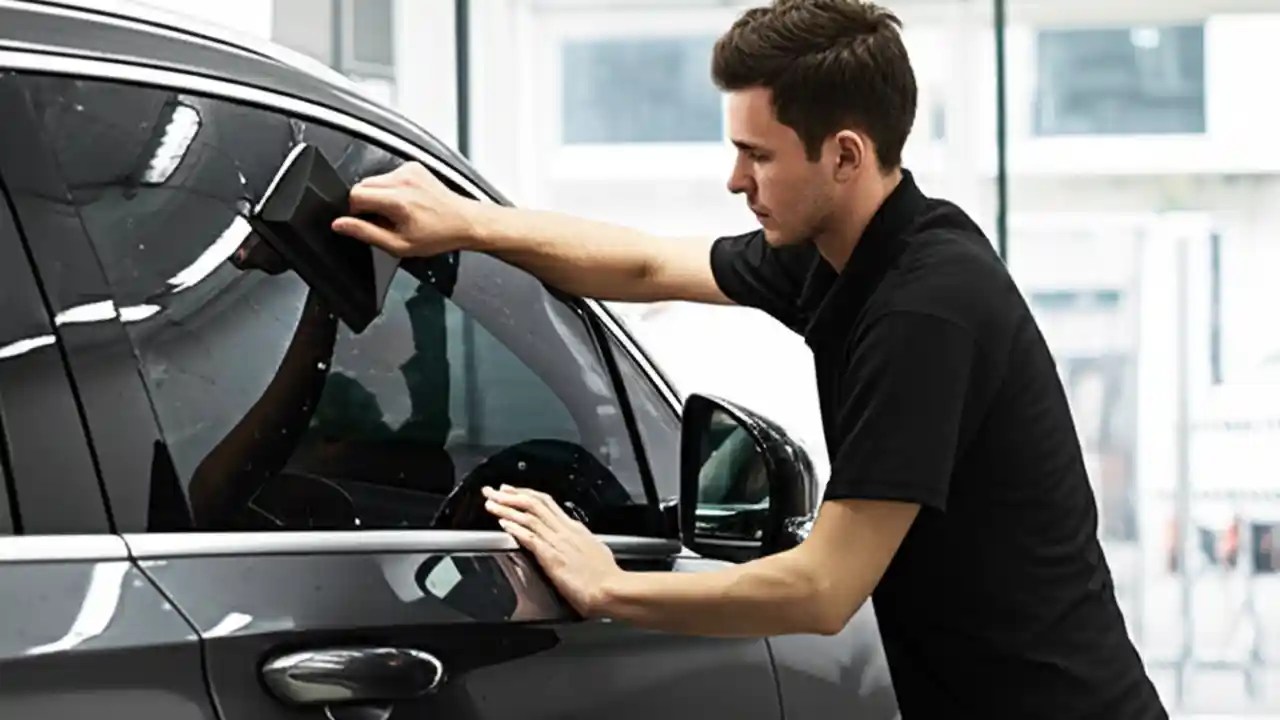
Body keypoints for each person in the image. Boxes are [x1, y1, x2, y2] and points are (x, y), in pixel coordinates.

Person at [332, 0, 1167, 716]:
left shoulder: (927, 307)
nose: (736, 179)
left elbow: (822, 588)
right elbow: (647, 265)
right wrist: (466, 224)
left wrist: (606, 585)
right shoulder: (840, 255)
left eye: (758, 154)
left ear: (844, 155)